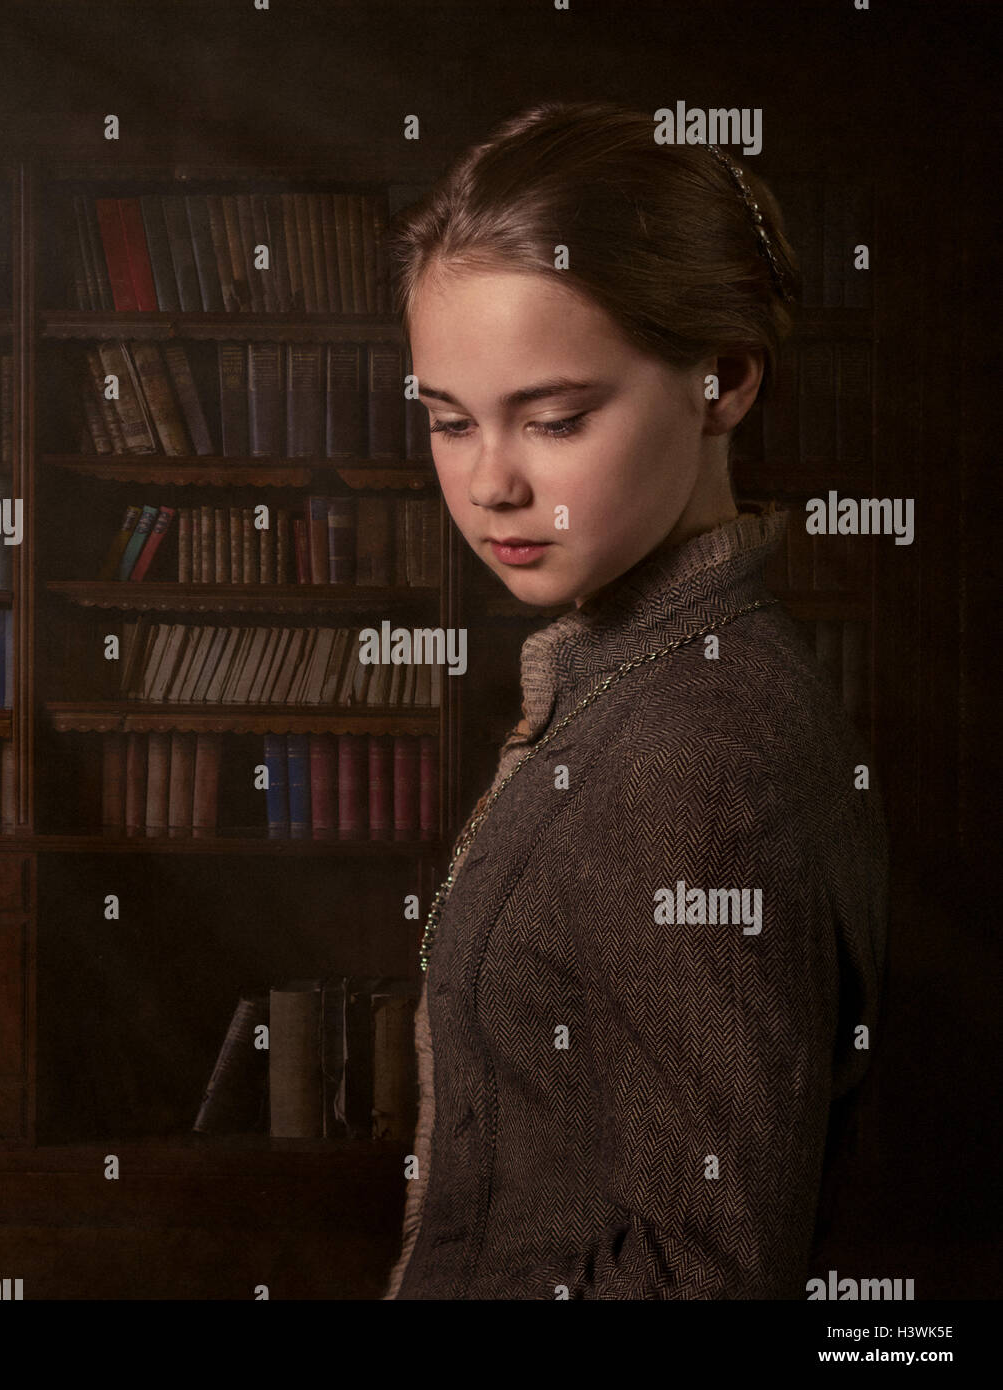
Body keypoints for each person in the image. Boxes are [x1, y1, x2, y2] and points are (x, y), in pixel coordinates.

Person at [379, 99, 888, 1299]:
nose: (492, 483)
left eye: (554, 419)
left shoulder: (696, 753)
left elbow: (706, 1274)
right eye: (450, 422)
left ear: (722, 382)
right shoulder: (639, 674)